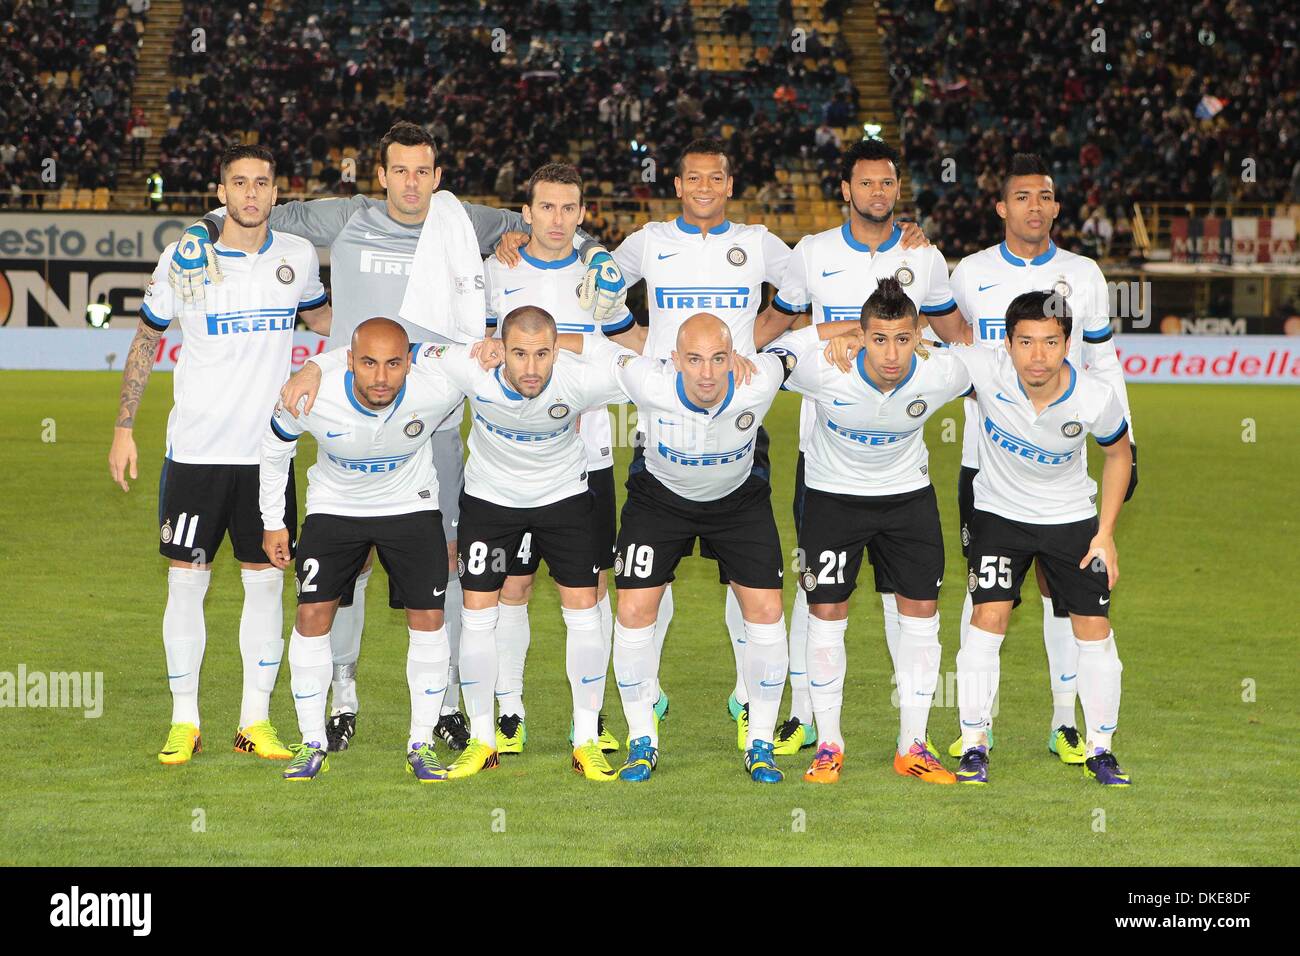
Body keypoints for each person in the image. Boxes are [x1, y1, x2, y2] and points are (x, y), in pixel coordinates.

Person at [168, 121, 627, 756]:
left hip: (432, 414)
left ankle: (447, 705)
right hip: (351, 414)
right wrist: (197, 229)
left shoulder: (462, 219)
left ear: (439, 177)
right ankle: (343, 693)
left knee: (449, 560)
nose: (412, 183)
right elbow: (255, 207)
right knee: (346, 566)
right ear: (381, 174)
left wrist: (597, 253)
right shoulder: (348, 217)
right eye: (400, 170)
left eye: (424, 171)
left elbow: (556, 220)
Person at [285, 306, 632, 781]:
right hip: (489, 504)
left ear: (556, 352)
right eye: (518, 353)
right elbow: (392, 350)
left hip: (565, 500)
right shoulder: (471, 365)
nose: (530, 368)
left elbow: (636, 363)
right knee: (477, 619)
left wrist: (574, 342)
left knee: (584, 615)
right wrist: (311, 366)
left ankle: (587, 740)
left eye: (542, 354)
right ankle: (484, 741)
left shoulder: (580, 379)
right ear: (497, 349)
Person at [107, 144, 330, 766]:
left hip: (268, 456)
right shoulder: (188, 255)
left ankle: (253, 721)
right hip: (197, 454)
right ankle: (185, 722)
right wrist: (125, 427)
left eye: (262, 183)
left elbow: (324, 322)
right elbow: (149, 334)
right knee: (186, 587)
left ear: (276, 193)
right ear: (222, 191)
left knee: (264, 590)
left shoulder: (297, 256)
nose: (251, 194)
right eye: (240, 183)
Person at [924, 153, 1136, 764]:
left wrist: (1125, 438)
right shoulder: (969, 272)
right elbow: (944, 338)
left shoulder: (1085, 274)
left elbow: (1102, 363)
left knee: (1061, 595)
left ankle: (1066, 722)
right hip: (984, 461)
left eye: (1044, 197)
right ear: (1002, 206)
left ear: (1056, 205)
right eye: (1022, 197)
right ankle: (974, 733)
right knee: (987, 597)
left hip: (1065, 458)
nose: (1034, 207)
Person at [755, 137, 958, 758]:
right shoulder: (812, 254)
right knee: (818, 593)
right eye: (865, 183)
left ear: (898, 189)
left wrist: (930, 353)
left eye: (887, 183)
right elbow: (769, 331)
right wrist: (832, 338)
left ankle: (914, 736)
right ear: (845, 190)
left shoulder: (924, 257)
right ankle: (806, 719)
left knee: (910, 600)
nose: (877, 193)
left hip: (900, 461)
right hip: (826, 456)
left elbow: (958, 338)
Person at [770, 278, 971, 784]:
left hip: (908, 499)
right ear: (862, 336)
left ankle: (913, 745)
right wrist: (834, 333)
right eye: (878, 338)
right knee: (827, 611)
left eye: (903, 338)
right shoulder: (826, 367)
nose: (891, 352)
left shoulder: (938, 370)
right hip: (832, 499)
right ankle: (829, 743)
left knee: (922, 613)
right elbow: (771, 350)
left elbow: (991, 362)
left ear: (917, 336)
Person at [482, 163, 644, 756]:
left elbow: (632, 345)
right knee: (512, 586)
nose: (556, 218)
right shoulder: (496, 271)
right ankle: (510, 708)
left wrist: (577, 347)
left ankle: (591, 716)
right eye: (545, 207)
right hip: (510, 463)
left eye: (568, 208)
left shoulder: (599, 274)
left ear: (582, 215)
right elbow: (476, 349)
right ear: (526, 214)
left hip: (588, 455)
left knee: (590, 588)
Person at [259, 319, 466, 782]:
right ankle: (312, 743)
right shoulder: (313, 395)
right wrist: (274, 521)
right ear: (349, 361)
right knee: (312, 616)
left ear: (408, 363)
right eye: (368, 363)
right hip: (335, 510)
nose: (381, 377)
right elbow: (275, 449)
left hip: (409, 509)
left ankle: (421, 742)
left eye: (394, 364)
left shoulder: (435, 389)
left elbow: (474, 356)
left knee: (430, 619)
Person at [592, 313, 795, 783]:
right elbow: (591, 346)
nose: (707, 373)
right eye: (696, 360)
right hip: (660, 499)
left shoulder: (757, 381)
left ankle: (760, 742)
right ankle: (642, 738)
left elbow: (797, 349)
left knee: (765, 610)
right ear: (674, 359)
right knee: (635, 610)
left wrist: (846, 339)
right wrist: (498, 343)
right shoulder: (648, 380)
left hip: (738, 501)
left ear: (734, 359)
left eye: (719, 359)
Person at [946, 291, 1133, 786]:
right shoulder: (983, 370)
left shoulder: (1094, 396)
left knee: (1093, 628)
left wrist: (1106, 533)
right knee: (988, 619)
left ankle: (1101, 750)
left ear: (1067, 343)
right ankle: (974, 745)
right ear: (1006, 344)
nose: (1037, 356)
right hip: (999, 515)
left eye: (1050, 342)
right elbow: (908, 348)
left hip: (1070, 517)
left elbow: (1119, 455)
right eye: (1025, 342)